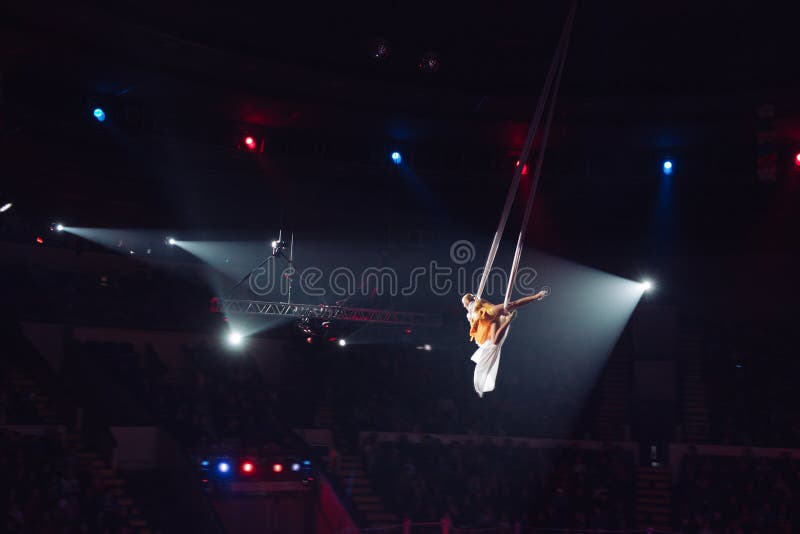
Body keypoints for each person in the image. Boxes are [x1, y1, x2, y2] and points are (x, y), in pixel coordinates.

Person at [462, 290, 546, 396]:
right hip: (487, 319)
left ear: (469, 300)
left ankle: (535, 297)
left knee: (512, 306)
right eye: (464, 304)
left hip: (489, 315)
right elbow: (474, 326)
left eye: (465, 302)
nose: (464, 305)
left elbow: (488, 306)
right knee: (494, 342)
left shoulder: (478, 302)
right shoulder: (470, 313)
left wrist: (501, 310)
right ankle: (509, 319)